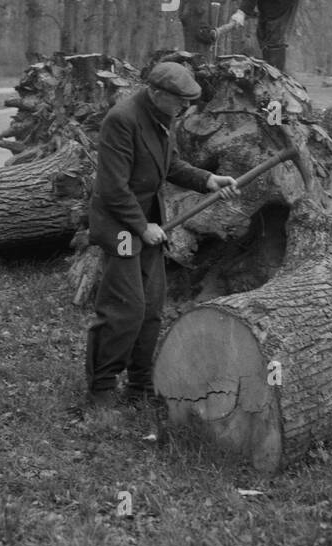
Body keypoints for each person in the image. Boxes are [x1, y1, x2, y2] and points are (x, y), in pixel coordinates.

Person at [85, 60, 238, 409]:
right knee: (125, 309)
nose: (185, 107)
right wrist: (142, 226)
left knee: (152, 308)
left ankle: (139, 385)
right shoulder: (122, 120)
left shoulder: (162, 118)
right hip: (121, 227)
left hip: (151, 225)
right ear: (155, 92)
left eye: (188, 101)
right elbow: (112, 188)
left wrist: (207, 180)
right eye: (180, 100)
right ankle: (101, 387)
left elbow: (169, 166)